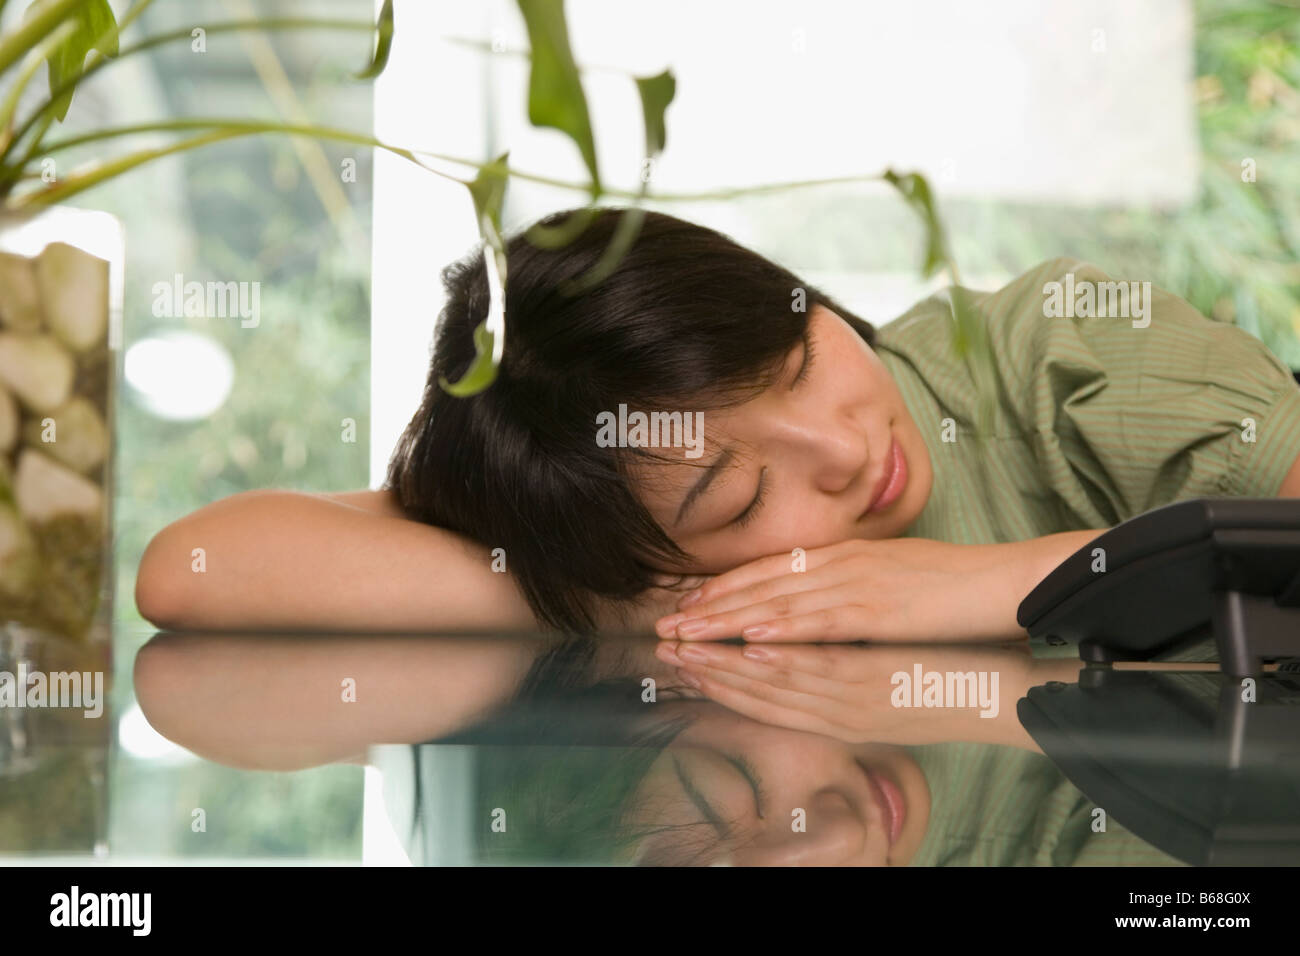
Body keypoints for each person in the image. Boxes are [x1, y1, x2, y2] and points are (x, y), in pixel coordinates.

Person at [133, 207, 1300, 638]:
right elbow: (191, 572)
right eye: (735, 499)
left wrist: (992, 583)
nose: (847, 450)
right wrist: (605, 579)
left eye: (798, 360)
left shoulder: (1053, 343)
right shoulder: (650, 563)